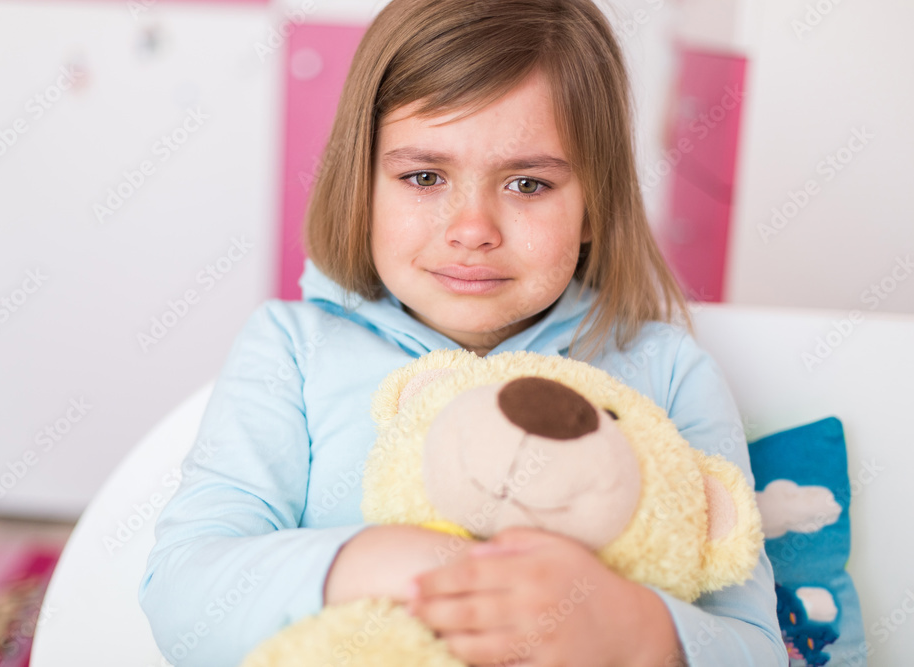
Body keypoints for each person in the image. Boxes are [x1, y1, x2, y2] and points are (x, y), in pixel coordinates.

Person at [139, 1, 785, 665]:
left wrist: (630, 627)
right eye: (424, 176)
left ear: (595, 204)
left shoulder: (667, 371)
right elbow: (183, 595)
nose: (472, 227)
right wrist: (381, 562)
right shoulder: (293, 351)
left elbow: (758, 645)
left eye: (528, 183)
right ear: (363, 182)